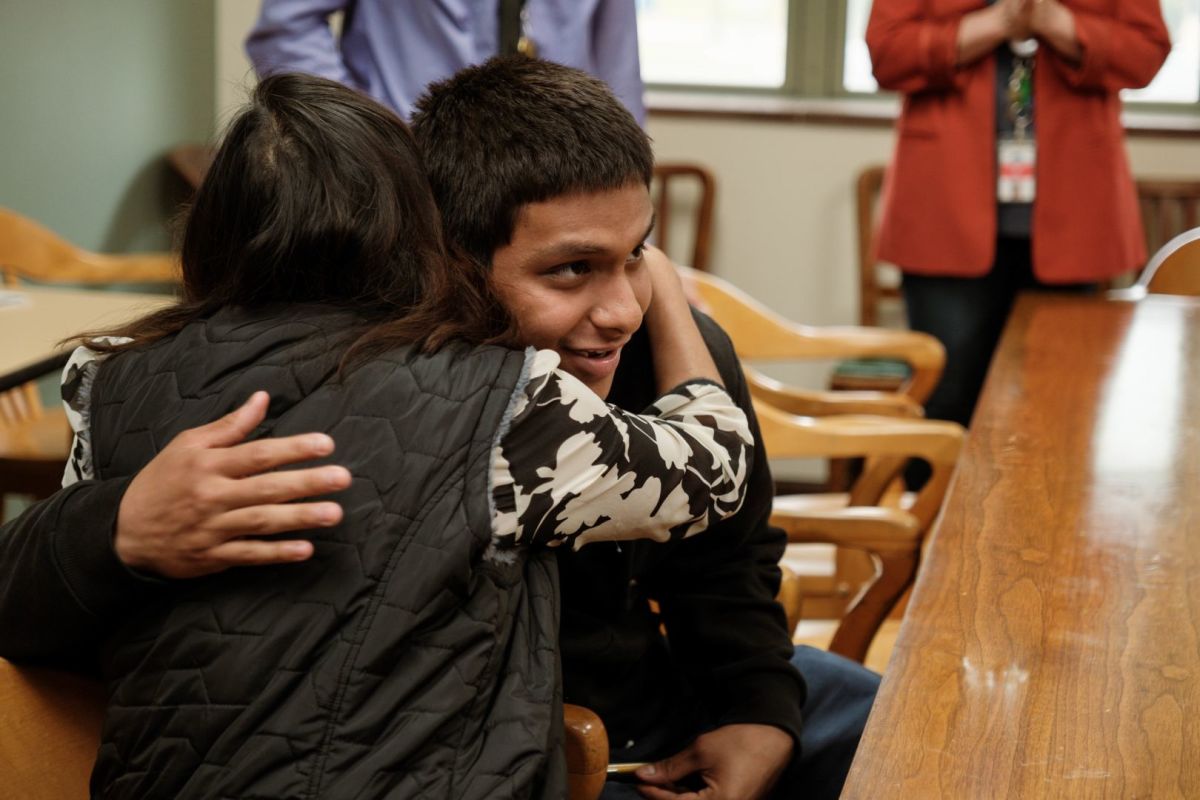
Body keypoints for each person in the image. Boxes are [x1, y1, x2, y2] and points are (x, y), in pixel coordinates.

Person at [0, 58, 878, 800]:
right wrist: (118, 529)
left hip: (654, 705)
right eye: (570, 270)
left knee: (891, 718)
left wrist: (757, 711)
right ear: (444, 259)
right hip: (521, 745)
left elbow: (728, 554)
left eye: (637, 255)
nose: (616, 309)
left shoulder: (657, 347)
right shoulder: (470, 391)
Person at [866, 0, 1170, 428]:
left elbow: (1145, 54)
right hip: (943, 211)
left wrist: (1053, 21)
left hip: (1073, 210)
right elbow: (886, 53)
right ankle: (934, 497)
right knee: (945, 399)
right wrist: (995, 22)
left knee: (1061, 403)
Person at [244, 0, 646, 123]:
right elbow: (286, 29)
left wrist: (636, 248)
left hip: (550, 177)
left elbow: (619, 82)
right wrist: (364, 134)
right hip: (405, 171)